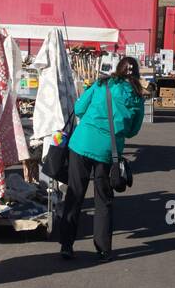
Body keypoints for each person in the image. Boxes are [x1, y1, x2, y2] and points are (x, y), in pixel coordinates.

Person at [59, 56, 144, 262]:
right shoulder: (136, 96)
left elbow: (78, 109)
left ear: (118, 69)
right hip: (109, 151)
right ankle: (103, 248)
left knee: (75, 195)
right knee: (103, 200)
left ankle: (67, 245)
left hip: (82, 143)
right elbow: (133, 131)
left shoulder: (101, 84)